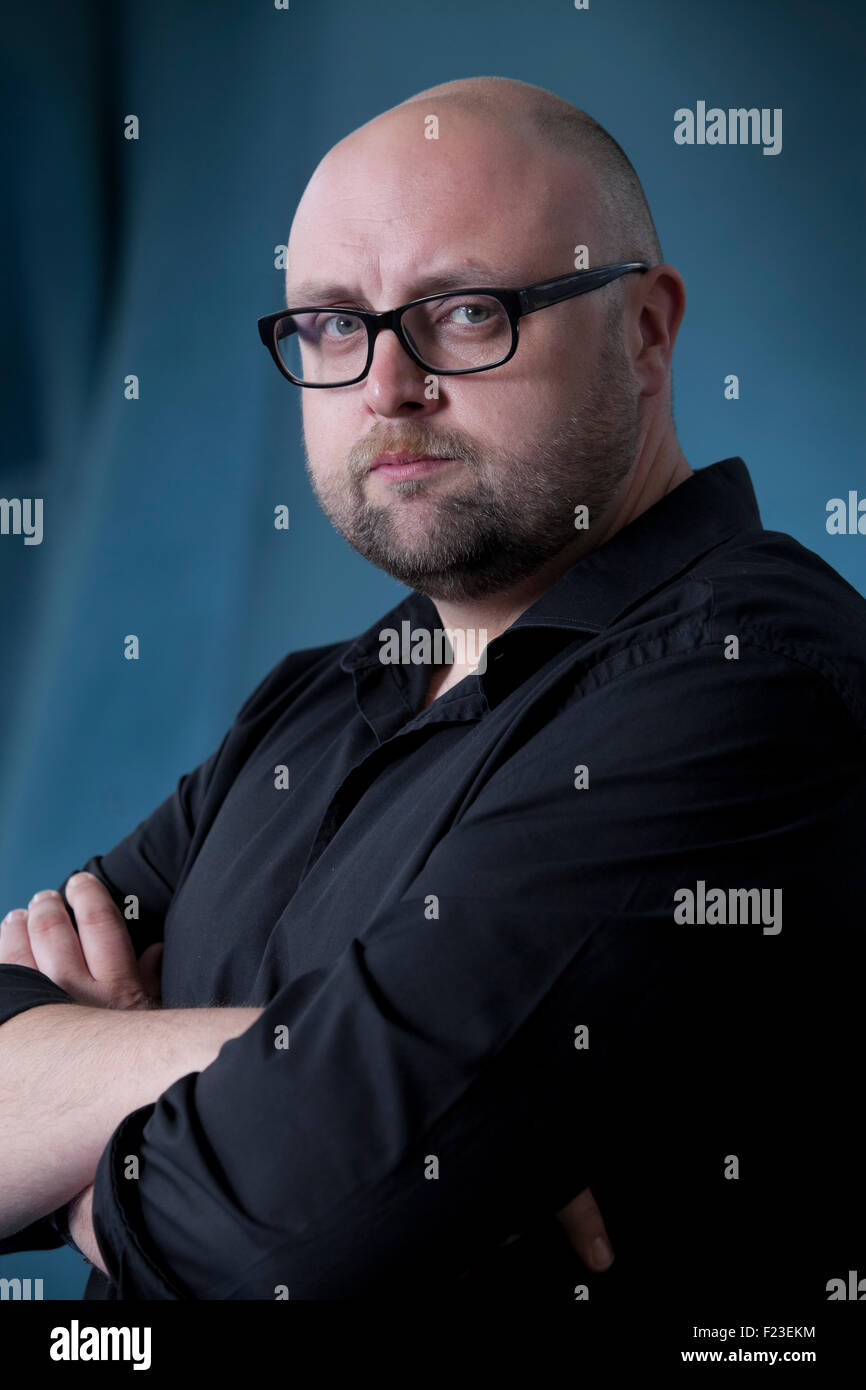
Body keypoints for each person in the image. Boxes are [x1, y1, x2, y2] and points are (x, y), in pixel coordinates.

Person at [1, 76, 864, 1305]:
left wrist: (86, 1127)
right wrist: (280, 1067)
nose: (384, 386)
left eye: (463, 311)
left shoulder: (748, 686)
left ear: (645, 331)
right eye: (332, 325)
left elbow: (279, 1234)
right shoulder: (308, 705)